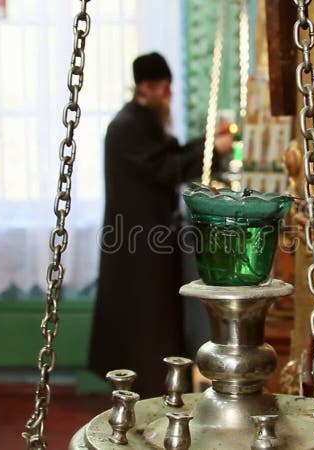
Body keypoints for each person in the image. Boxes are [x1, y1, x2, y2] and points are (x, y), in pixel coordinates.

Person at [88, 52, 233, 397]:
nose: (169, 95)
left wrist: (211, 143)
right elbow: (166, 168)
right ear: (146, 87)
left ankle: (161, 384)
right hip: (136, 242)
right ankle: (145, 389)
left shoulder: (146, 121)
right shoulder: (126, 127)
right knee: (145, 320)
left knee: (160, 315)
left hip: (152, 236)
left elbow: (174, 153)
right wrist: (212, 147)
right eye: (165, 89)